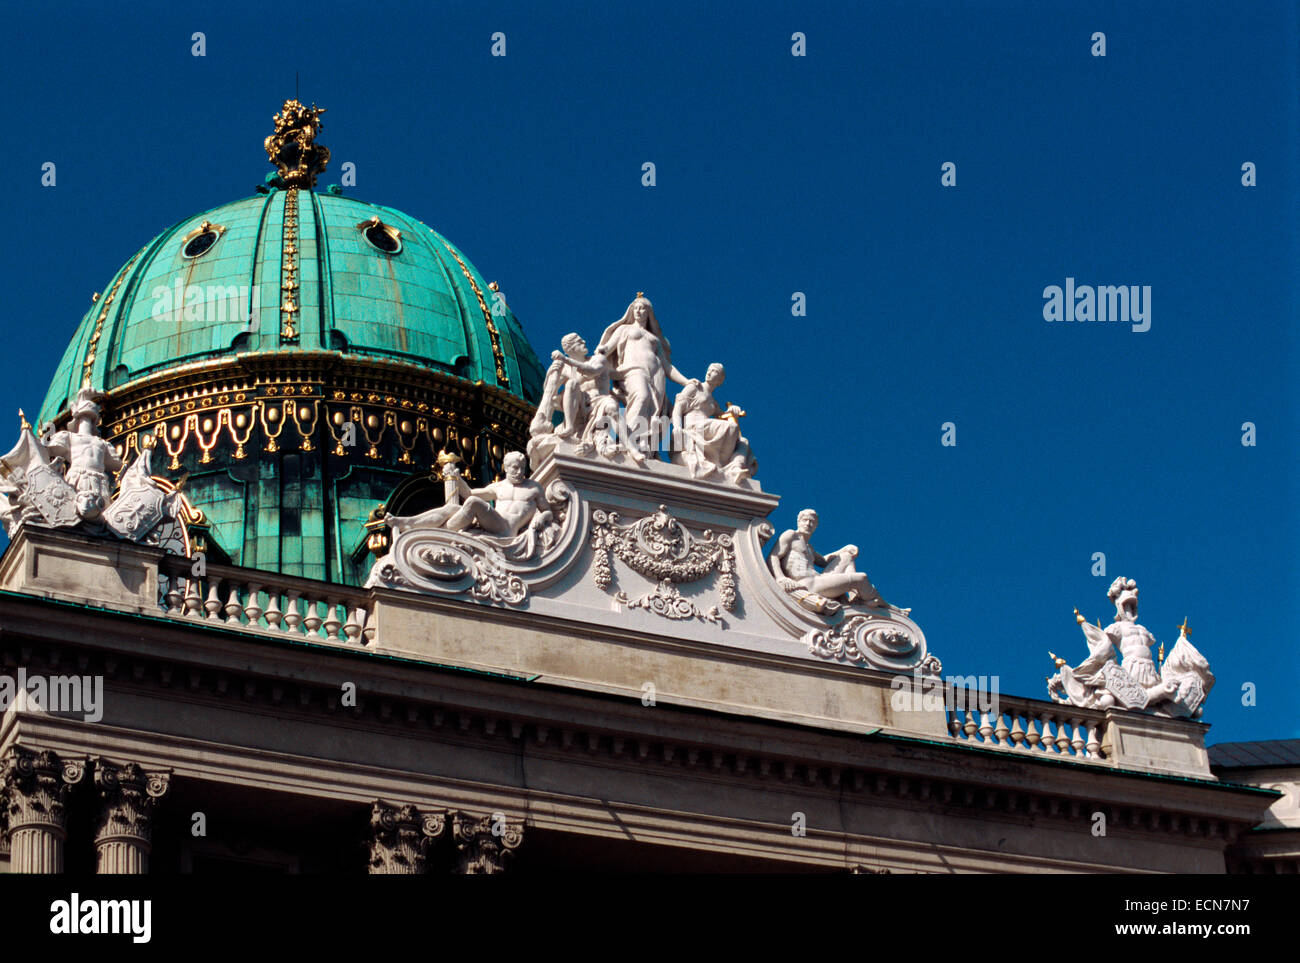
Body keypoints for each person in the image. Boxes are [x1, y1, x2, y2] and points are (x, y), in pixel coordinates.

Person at [596, 296, 690, 454]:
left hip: (656, 375)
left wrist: (686, 382)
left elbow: (667, 367)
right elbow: (608, 347)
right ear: (631, 311)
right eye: (636, 308)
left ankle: (643, 444)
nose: (639, 311)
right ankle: (629, 439)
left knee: (652, 410)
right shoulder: (624, 329)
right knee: (642, 396)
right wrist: (601, 352)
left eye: (642, 308)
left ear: (649, 312)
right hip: (633, 369)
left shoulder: (655, 339)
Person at [770, 509, 888, 608]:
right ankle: (883, 606)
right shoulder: (791, 535)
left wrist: (844, 549)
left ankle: (855, 595)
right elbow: (773, 556)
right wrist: (780, 578)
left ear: (815, 526)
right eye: (804, 520)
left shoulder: (809, 547)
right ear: (798, 522)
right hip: (807, 584)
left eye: (812, 522)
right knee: (861, 578)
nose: (807, 524)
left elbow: (824, 561)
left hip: (819, 580)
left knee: (846, 556)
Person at [671, 362, 755, 483]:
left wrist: (733, 410)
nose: (709, 373)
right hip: (694, 427)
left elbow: (723, 415)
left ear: (720, 380)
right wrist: (677, 427)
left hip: (706, 428)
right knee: (731, 427)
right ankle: (719, 464)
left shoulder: (713, 402)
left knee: (743, 442)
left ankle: (735, 468)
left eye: (714, 371)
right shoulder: (695, 387)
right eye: (709, 370)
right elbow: (678, 407)